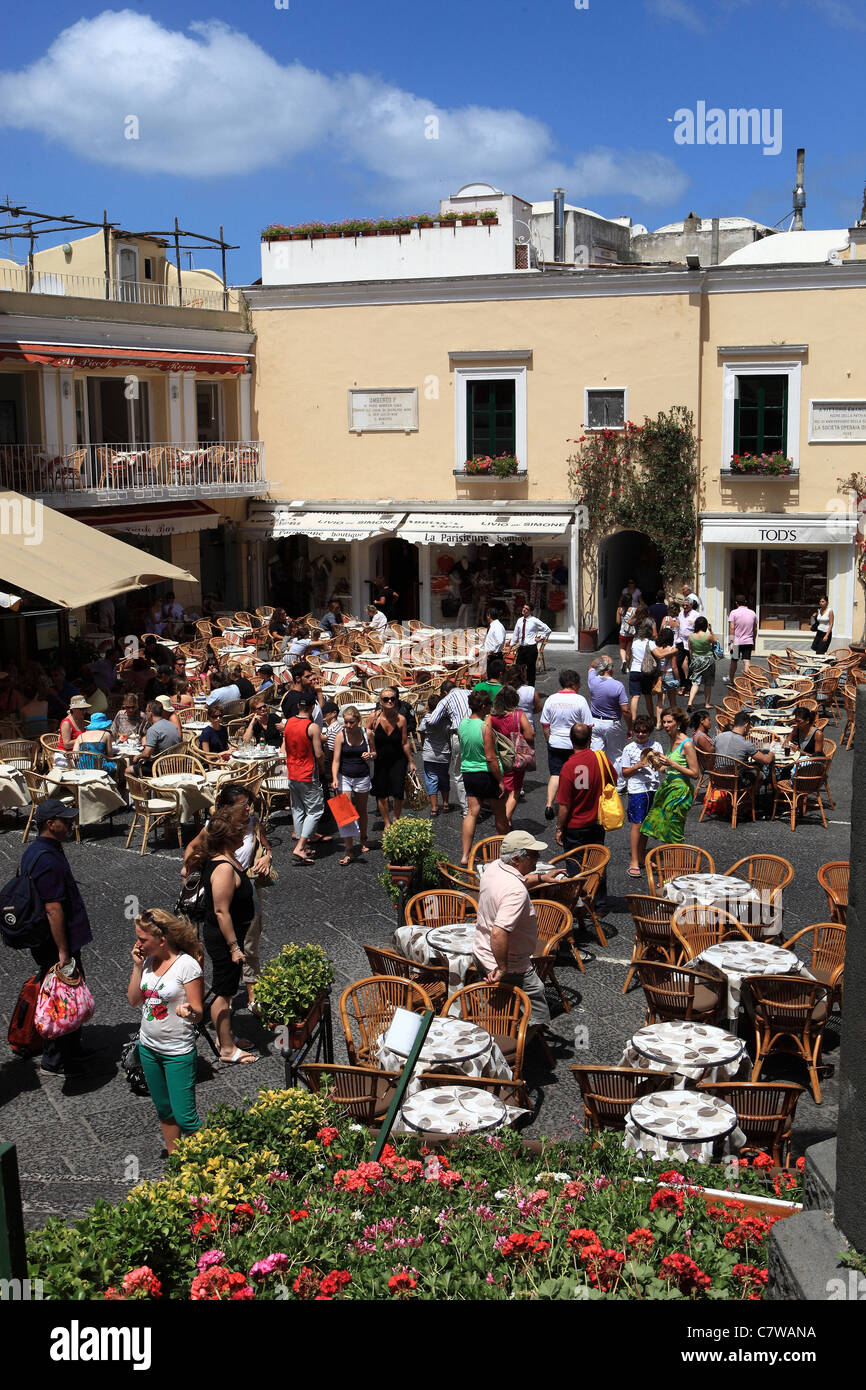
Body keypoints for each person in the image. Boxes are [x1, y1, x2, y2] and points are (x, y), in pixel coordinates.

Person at [183, 784, 272, 1009]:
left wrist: (267, 858)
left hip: (247, 887)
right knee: (227, 947)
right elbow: (192, 848)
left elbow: (267, 848)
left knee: (250, 944)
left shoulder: (253, 824)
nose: (248, 809)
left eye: (248, 804)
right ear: (226, 808)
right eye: (242, 804)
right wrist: (190, 873)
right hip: (223, 889)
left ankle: (252, 996)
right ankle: (221, 1001)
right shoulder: (215, 828)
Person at [23, 800, 94, 1076]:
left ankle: (71, 1049)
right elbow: (53, 908)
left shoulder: (40, 850)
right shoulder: (47, 859)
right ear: (50, 824)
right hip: (55, 943)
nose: (70, 824)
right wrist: (63, 951)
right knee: (57, 996)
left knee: (69, 990)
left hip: (52, 939)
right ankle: (55, 1058)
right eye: (65, 820)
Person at [127, 908, 204, 1153]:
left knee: (186, 1118)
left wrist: (188, 1011)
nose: (138, 944)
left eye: (143, 939)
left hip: (177, 1052)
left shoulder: (187, 966)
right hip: (149, 1048)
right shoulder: (148, 963)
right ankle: (176, 1162)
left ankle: (210, 1163)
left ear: (162, 940)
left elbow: (199, 1011)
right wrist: (137, 967)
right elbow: (133, 1000)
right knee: (164, 1110)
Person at [473, 831, 559, 1028]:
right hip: (510, 962)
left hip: (482, 950)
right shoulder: (516, 892)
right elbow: (498, 933)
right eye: (533, 854)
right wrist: (503, 968)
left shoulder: (494, 867)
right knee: (538, 1014)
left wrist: (542, 877)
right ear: (516, 858)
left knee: (501, 1005)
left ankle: (502, 1028)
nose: (538, 857)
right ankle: (521, 1049)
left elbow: (519, 880)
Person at [199, 803, 258, 1063]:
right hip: (224, 939)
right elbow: (221, 911)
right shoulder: (223, 868)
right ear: (229, 838)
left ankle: (226, 1036)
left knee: (228, 990)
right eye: (241, 833)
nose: (245, 837)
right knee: (223, 993)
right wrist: (234, 947)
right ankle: (226, 1049)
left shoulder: (227, 859)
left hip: (230, 936)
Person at [555, 723, 608, 906]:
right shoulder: (600, 759)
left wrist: (559, 827)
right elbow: (612, 778)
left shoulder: (569, 767)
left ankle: (578, 903)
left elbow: (564, 805)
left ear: (571, 739)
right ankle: (599, 902)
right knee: (597, 862)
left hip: (575, 826)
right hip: (597, 820)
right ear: (590, 739)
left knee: (575, 866)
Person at [458, 689, 509, 867]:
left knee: (473, 812)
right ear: (484, 706)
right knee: (500, 815)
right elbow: (490, 758)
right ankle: (503, 854)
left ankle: (465, 855)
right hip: (486, 774)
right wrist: (501, 781)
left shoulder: (463, 723)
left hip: (468, 773)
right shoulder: (485, 728)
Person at [640, 707, 700, 845]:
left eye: (669, 722)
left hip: (680, 790)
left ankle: (678, 863)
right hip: (668, 786)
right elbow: (664, 769)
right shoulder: (672, 740)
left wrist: (672, 763)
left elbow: (695, 774)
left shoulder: (687, 744)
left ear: (678, 723)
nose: (665, 725)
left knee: (674, 829)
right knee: (663, 826)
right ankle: (671, 861)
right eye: (664, 722)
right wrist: (655, 762)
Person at [539, 669, 592, 820]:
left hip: (555, 741)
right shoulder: (580, 700)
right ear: (575, 684)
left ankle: (550, 804)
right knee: (580, 773)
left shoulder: (551, 699)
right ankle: (580, 804)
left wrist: (549, 740)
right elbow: (588, 726)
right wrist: (588, 746)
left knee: (555, 774)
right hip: (575, 744)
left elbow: (545, 725)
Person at [618, 716, 664, 878]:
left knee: (646, 825)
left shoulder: (656, 745)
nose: (640, 734)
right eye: (637, 731)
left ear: (649, 732)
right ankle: (634, 861)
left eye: (644, 731)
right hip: (637, 789)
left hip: (653, 787)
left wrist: (661, 762)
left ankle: (642, 857)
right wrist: (637, 766)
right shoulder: (628, 749)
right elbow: (624, 773)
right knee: (637, 824)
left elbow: (662, 768)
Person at [284, 692, 326, 862]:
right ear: (313, 707)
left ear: (298, 707)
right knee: (315, 810)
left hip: (292, 771)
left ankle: (304, 845)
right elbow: (318, 754)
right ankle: (301, 846)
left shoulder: (288, 723)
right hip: (307, 773)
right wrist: (323, 767)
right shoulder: (312, 727)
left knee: (298, 809)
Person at [331, 703, 375, 862]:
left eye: (351, 722)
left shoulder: (367, 734)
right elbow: (335, 760)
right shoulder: (340, 735)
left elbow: (375, 753)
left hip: (362, 776)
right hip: (345, 776)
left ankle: (363, 839)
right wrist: (335, 778)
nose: (348, 725)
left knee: (362, 810)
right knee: (345, 813)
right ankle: (349, 849)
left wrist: (370, 755)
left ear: (358, 721)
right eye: (346, 722)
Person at [424, 679, 470, 817]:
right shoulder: (471, 692)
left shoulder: (446, 699)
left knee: (459, 774)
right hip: (478, 732)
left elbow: (432, 720)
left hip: (460, 735)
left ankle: (467, 810)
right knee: (478, 768)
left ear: (444, 692)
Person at [490, 686, 534, 827]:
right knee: (514, 792)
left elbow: (484, 732)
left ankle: (506, 820)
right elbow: (529, 735)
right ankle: (504, 822)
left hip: (498, 757)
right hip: (514, 757)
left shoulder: (491, 718)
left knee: (502, 790)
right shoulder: (518, 715)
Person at [368, 685, 410, 829]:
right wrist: (369, 737)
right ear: (380, 701)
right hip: (380, 761)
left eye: (392, 699)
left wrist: (411, 762)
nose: (390, 701)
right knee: (382, 794)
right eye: (386, 699)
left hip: (398, 759)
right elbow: (366, 732)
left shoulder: (401, 720)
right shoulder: (373, 718)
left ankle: (396, 818)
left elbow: (405, 742)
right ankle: (386, 823)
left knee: (398, 793)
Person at [587, 655, 631, 788]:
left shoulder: (593, 681)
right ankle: (619, 785)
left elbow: (590, 666)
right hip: (612, 723)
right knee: (616, 755)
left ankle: (597, 783)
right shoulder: (618, 686)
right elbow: (625, 710)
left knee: (597, 754)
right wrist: (630, 727)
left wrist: (600, 658)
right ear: (611, 669)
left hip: (594, 722)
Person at [418, 692, 452, 817]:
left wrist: (423, 745)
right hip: (444, 753)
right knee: (444, 777)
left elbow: (421, 732)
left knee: (431, 779)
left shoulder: (426, 719)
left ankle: (434, 807)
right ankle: (446, 803)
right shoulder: (446, 720)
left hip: (429, 754)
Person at [628, 621, 668, 724]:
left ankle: (633, 719)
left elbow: (629, 655)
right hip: (646, 671)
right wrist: (671, 651)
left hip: (634, 670)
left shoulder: (634, 642)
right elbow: (659, 655)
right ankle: (651, 717)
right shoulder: (650, 643)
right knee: (647, 696)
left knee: (635, 696)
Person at [506, 603, 551, 687]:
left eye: (526, 609)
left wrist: (540, 637)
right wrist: (510, 647)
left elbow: (548, 630)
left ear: (530, 611)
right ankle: (519, 687)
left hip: (531, 648)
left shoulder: (534, 620)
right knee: (518, 669)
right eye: (523, 607)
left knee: (531, 670)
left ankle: (531, 688)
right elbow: (515, 635)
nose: (524, 609)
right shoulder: (519, 620)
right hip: (522, 648)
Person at [131, 700, 181, 773]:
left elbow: (147, 754)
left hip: (160, 767)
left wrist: (138, 757)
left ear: (150, 713)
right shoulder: (172, 725)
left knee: (128, 770)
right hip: (175, 764)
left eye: (146, 712)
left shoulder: (153, 730)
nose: (146, 714)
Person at [687, 616, 717, 712]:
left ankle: (690, 702)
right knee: (708, 683)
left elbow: (690, 650)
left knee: (695, 683)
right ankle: (707, 703)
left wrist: (692, 660)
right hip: (708, 661)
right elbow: (716, 641)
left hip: (696, 660)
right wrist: (711, 630)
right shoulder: (707, 636)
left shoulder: (691, 636)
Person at [727, 594, 758, 683]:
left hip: (736, 641)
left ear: (736, 603)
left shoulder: (733, 612)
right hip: (748, 640)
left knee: (734, 661)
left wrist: (731, 641)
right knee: (747, 661)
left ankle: (731, 680)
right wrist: (753, 639)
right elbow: (755, 628)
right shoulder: (752, 613)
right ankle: (746, 682)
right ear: (745, 602)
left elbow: (732, 628)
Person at [654, 626, 681, 727]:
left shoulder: (657, 649)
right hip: (669, 675)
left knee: (660, 700)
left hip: (660, 676)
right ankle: (675, 722)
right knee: (672, 700)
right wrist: (678, 679)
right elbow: (674, 667)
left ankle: (658, 723)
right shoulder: (671, 649)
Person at [505, 662, 543, 729]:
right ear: (523, 676)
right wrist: (529, 711)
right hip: (527, 724)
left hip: (509, 724)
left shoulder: (505, 689)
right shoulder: (530, 690)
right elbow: (539, 707)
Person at [483, 607, 506, 673]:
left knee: (494, 677)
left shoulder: (497, 626)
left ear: (489, 616)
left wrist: (491, 652)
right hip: (491, 656)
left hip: (494, 656)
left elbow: (500, 641)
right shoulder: (493, 625)